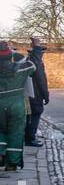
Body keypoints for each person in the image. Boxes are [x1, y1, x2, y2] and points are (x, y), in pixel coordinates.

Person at [0, 42, 35, 171]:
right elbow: (33, 67)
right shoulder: (20, 69)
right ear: (10, 56)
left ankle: (0, 153)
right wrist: (16, 54)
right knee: (16, 132)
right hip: (16, 104)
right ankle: (12, 163)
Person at [24, 38, 50, 147]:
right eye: (41, 53)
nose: (42, 55)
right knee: (35, 114)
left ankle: (27, 137)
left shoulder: (26, 61)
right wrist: (46, 95)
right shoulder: (36, 63)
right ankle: (30, 139)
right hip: (35, 94)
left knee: (29, 116)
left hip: (27, 93)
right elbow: (41, 80)